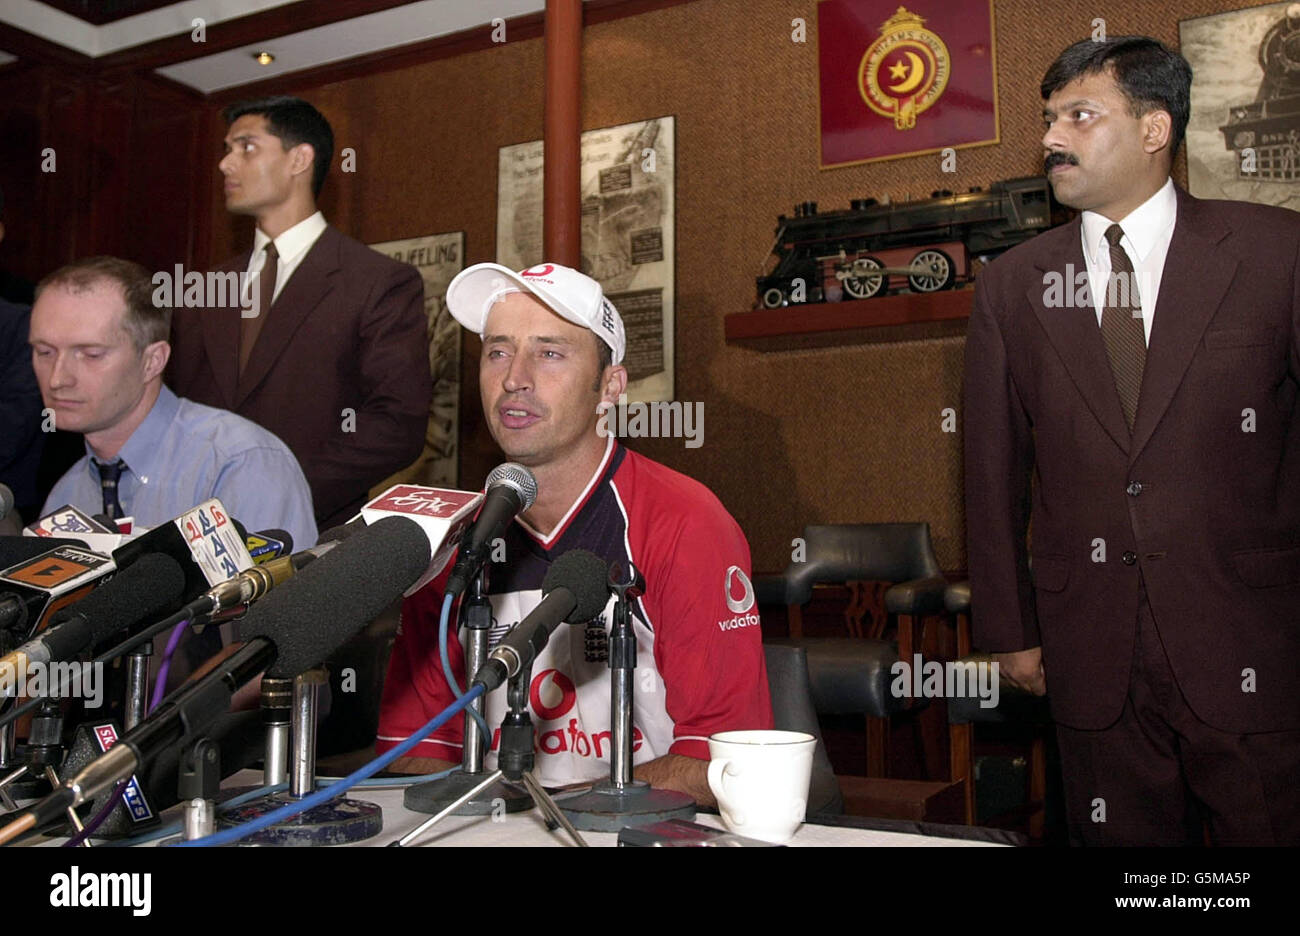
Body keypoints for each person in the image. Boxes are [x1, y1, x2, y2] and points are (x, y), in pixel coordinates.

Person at [964, 36, 1300, 845]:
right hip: (1090, 649)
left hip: (1251, 634)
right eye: (1049, 120)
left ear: (1155, 130)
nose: (1051, 139)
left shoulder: (1274, 253)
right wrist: (1009, 629)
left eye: (1080, 116)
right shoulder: (1014, 284)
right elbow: (989, 465)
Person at [376, 262, 772, 805]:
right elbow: (421, 750)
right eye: (497, 351)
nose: (514, 376)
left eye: (550, 352)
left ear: (609, 386)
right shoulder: (450, 539)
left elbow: (724, 760)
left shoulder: (686, 521)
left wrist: (547, 812)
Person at [168, 96, 432, 529]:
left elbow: (395, 424)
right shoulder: (203, 290)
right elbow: (177, 412)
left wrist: (277, 492)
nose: (225, 164)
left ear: (299, 159)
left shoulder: (376, 281)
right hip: (196, 538)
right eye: (226, 149)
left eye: (246, 147)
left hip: (313, 547)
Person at [33, 256, 317, 551]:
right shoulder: (66, 497)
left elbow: (279, 597)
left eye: (90, 354)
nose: (57, 379)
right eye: (44, 352)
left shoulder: (241, 463)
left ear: (152, 361)